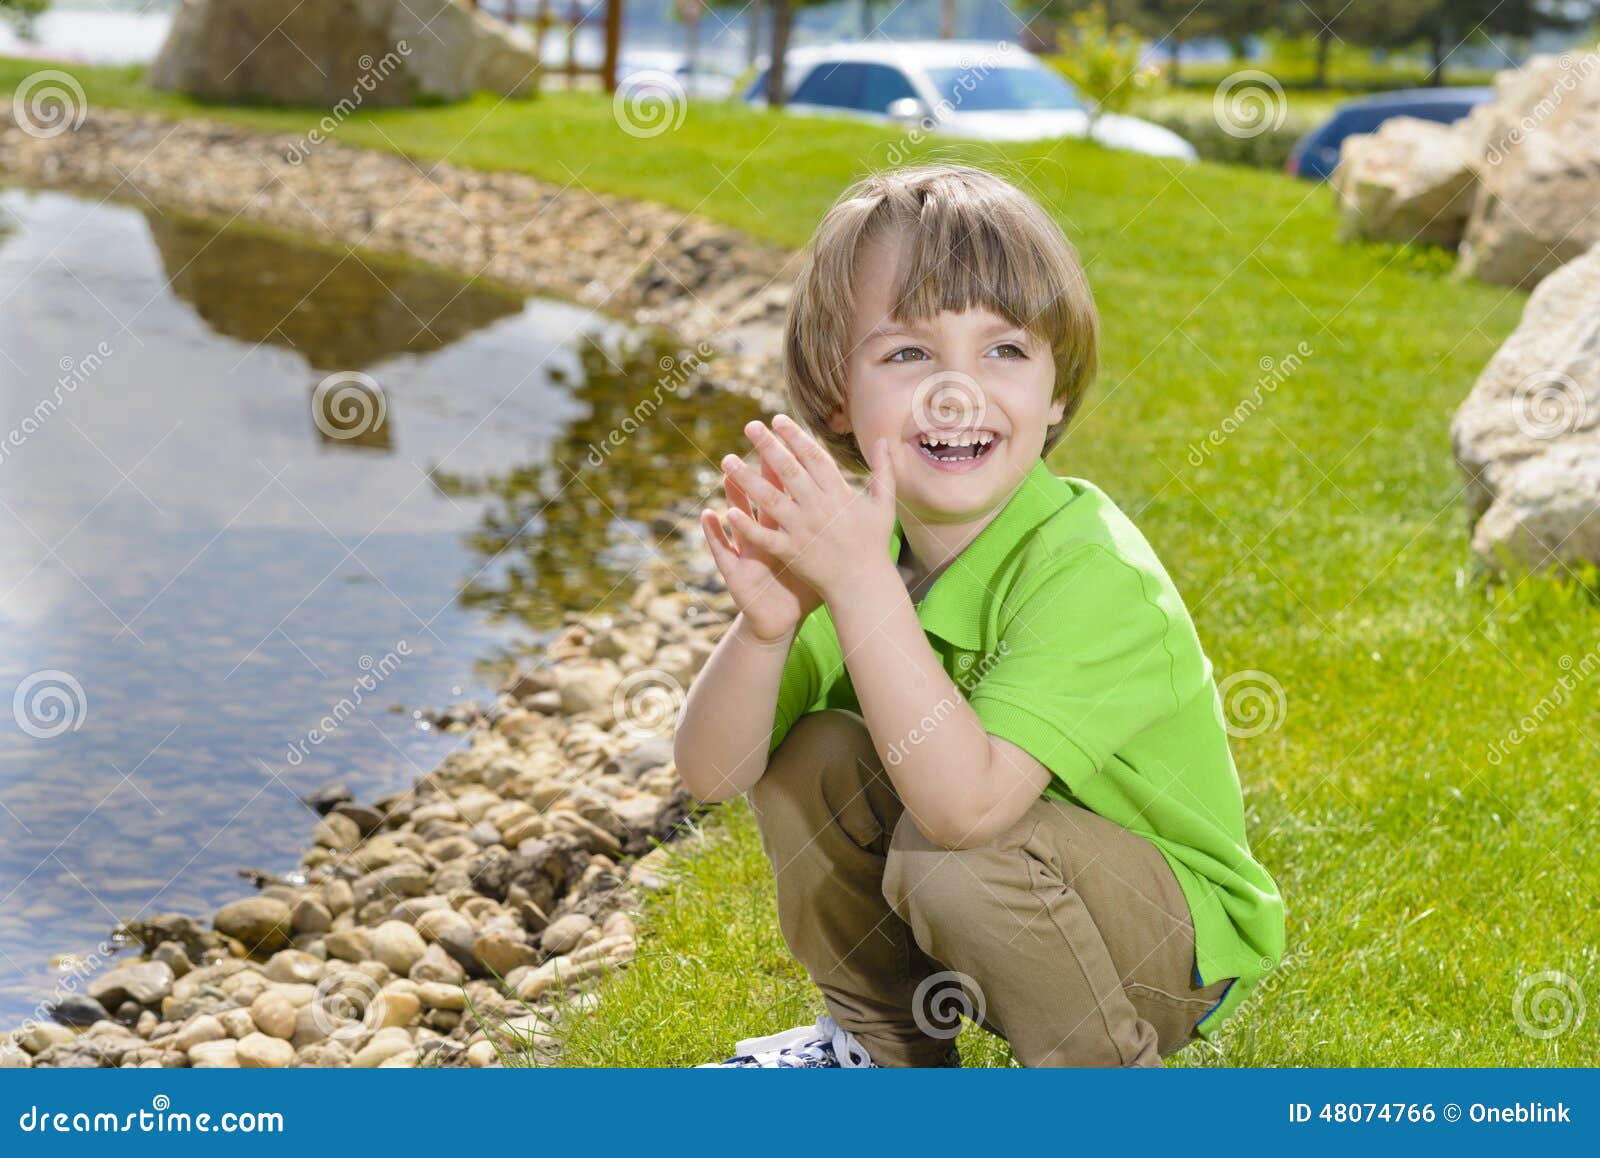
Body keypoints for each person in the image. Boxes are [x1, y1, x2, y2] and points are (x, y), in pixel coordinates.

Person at [673, 163, 1284, 1068]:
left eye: (1004, 350)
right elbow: (714, 773)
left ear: (1058, 390)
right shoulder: (860, 550)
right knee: (812, 755)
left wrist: (861, 591)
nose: (955, 393)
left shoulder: (1092, 568)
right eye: (908, 353)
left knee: (949, 856)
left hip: (1162, 944)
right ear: (837, 391)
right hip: (1002, 886)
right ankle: (886, 1058)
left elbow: (968, 811)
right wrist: (765, 630)